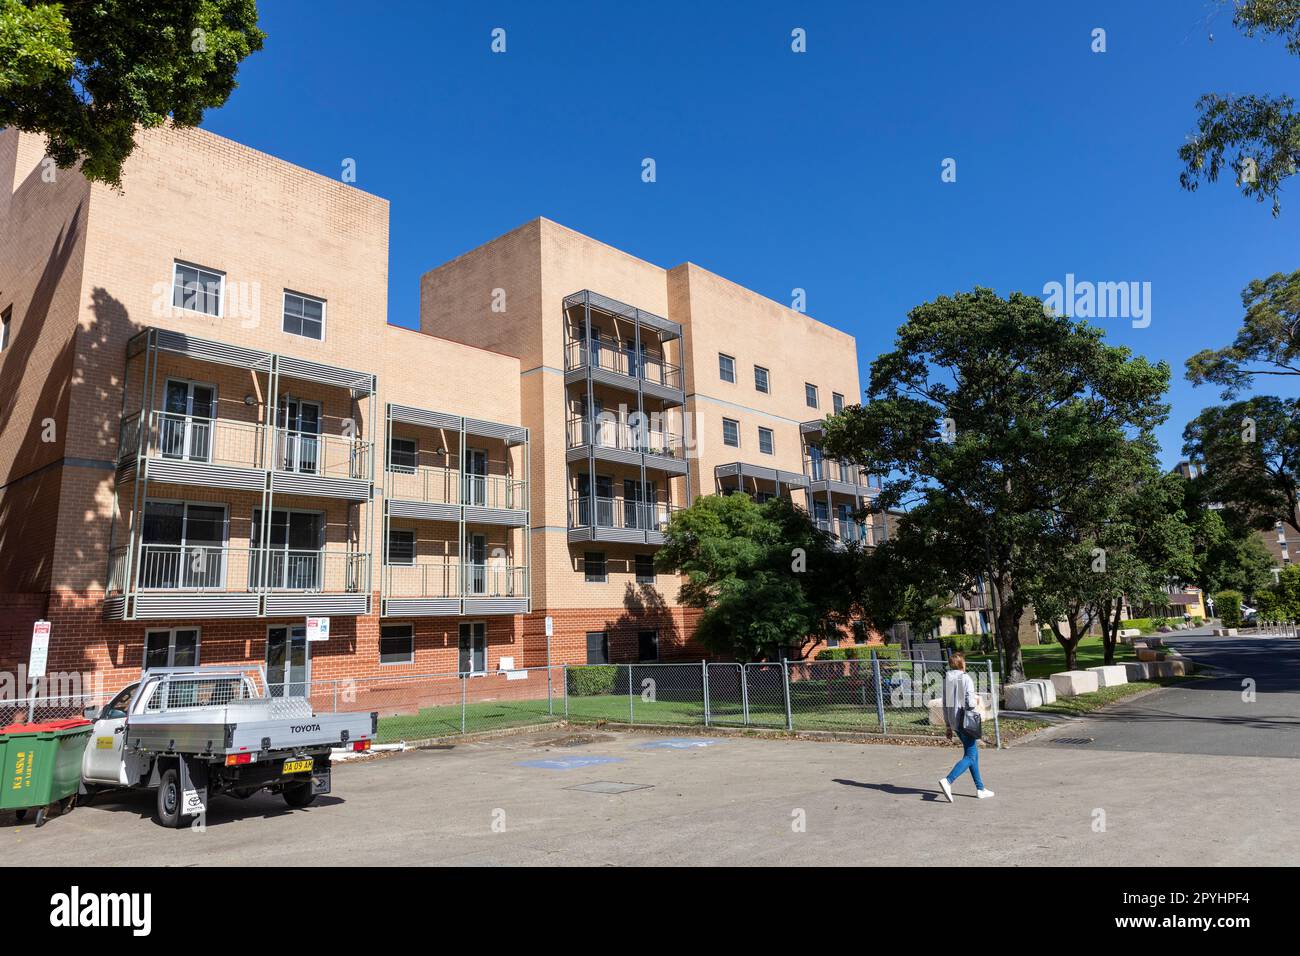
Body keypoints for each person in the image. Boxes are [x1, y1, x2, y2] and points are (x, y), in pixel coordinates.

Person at [938, 652, 994, 802]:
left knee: (972, 755)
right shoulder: (966, 678)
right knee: (970, 755)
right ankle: (948, 781)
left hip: (954, 722)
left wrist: (948, 726)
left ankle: (980, 788)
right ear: (962, 664)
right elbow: (969, 702)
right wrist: (975, 701)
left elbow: (945, 704)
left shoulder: (946, 680)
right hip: (966, 722)